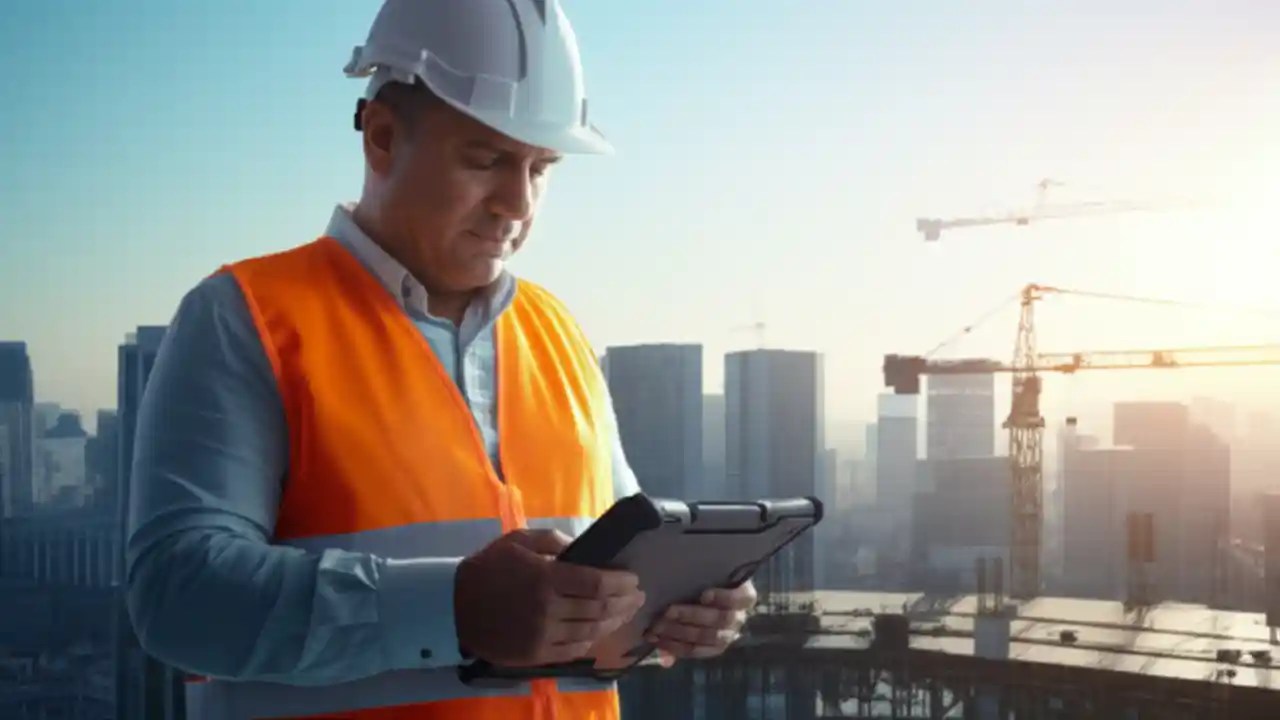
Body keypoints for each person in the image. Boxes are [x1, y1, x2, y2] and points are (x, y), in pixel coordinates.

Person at [124, 1, 756, 718]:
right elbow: (178, 600)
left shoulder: (559, 335)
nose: (517, 203)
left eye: (541, 167)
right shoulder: (248, 318)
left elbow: (614, 567)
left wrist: (679, 611)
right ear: (384, 138)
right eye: (486, 160)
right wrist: (450, 609)